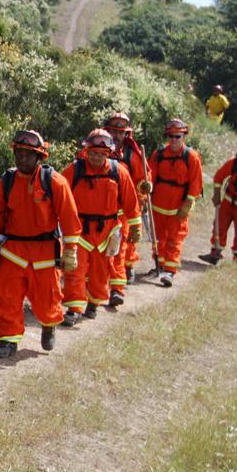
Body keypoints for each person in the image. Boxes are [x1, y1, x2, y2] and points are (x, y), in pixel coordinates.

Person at [0, 130, 82, 358]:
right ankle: (8, 340)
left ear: (39, 157)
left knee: (48, 299)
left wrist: (70, 250)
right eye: (19, 153)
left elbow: (69, 217)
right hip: (14, 251)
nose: (22, 159)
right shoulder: (6, 182)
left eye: (28, 154)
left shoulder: (54, 182)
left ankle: (49, 324)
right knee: (7, 295)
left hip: (45, 252)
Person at [59, 128, 141, 326]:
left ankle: (94, 303)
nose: (96, 157)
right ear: (86, 151)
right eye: (93, 153)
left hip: (107, 232)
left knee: (100, 271)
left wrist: (136, 227)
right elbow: (58, 194)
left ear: (109, 153)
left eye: (101, 154)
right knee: (75, 270)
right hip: (79, 231)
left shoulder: (118, 172)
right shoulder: (74, 170)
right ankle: (74, 308)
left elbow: (131, 202)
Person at [147, 118, 204, 286]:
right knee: (158, 239)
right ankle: (161, 265)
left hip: (178, 207)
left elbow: (196, 182)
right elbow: (150, 174)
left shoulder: (191, 156)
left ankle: (170, 271)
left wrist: (188, 203)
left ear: (183, 136)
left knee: (175, 239)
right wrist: (147, 186)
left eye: (177, 136)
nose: (173, 139)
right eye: (171, 136)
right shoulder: (159, 154)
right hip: (158, 205)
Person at [104, 112, 151, 283]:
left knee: (126, 240)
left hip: (125, 208)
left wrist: (143, 192)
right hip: (102, 208)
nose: (116, 136)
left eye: (120, 132)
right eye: (113, 131)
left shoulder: (132, 155)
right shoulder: (98, 151)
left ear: (126, 134)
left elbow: (141, 179)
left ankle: (128, 267)